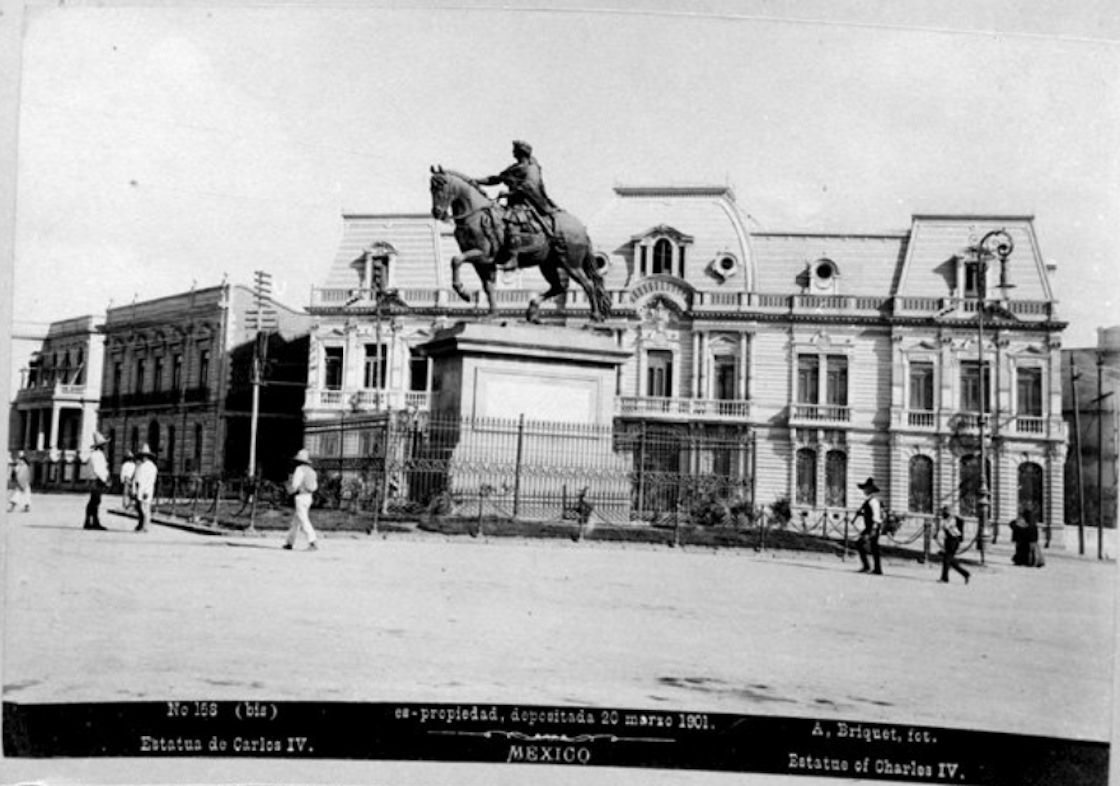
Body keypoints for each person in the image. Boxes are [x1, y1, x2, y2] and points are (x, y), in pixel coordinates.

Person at [477, 140, 561, 270]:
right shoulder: (513, 168)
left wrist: (508, 194)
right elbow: (496, 179)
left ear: (521, 152)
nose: (513, 152)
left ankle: (513, 257)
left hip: (527, 204)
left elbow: (529, 187)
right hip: (512, 204)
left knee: (513, 221)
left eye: (515, 150)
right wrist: (476, 181)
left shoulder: (531, 168)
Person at [283, 449, 319, 551]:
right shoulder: (312, 471)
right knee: (296, 521)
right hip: (309, 496)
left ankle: (312, 541)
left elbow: (295, 484)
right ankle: (289, 542)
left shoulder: (299, 470)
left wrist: (290, 490)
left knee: (303, 519)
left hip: (301, 496)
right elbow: (315, 486)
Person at [854, 477, 884, 575]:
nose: (864, 491)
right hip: (871, 526)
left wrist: (874, 528)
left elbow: (876, 515)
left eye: (866, 489)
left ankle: (869, 567)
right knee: (873, 546)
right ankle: (875, 568)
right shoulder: (869, 500)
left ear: (870, 489)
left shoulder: (873, 501)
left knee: (862, 543)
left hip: (873, 526)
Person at [83, 432, 111, 530]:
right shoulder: (97, 455)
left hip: (94, 479)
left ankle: (90, 521)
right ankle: (92, 522)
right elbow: (98, 469)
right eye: (103, 445)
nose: (105, 447)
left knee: (94, 501)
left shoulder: (95, 455)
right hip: (97, 480)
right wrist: (105, 479)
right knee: (95, 501)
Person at [938, 506, 971, 584]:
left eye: (944, 513)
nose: (942, 514)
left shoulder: (951, 520)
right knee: (949, 560)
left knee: (947, 559)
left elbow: (948, 528)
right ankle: (965, 574)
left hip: (952, 541)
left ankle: (945, 578)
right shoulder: (949, 519)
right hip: (951, 540)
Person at [131, 444, 158, 533]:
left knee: (145, 508)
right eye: (142, 456)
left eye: (145, 456)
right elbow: (136, 478)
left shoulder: (151, 467)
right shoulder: (140, 466)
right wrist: (134, 489)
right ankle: (141, 524)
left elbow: (151, 480)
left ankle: (145, 526)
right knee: (140, 508)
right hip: (139, 488)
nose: (143, 458)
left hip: (146, 489)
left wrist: (146, 491)